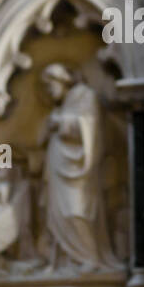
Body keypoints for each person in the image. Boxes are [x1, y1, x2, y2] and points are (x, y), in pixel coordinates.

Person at [39, 64, 117, 271]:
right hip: (59, 165)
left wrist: (60, 122)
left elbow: (89, 125)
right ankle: (64, 261)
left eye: (49, 85)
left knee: (75, 211)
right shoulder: (65, 103)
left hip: (76, 168)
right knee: (56, 212)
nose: (47, 91)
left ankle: (88, 257)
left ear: (62, 81)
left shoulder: (84, 95)